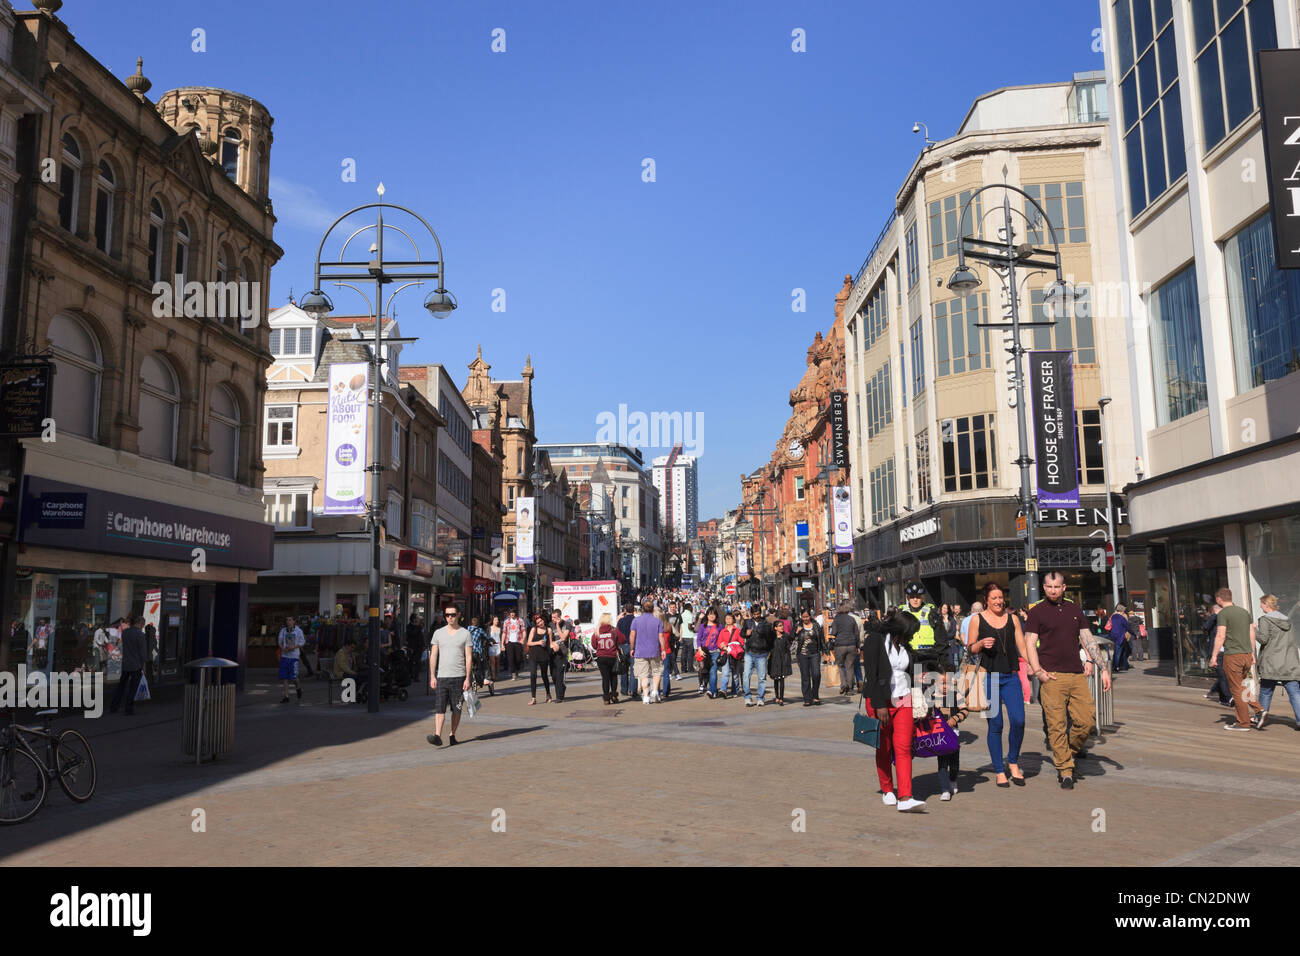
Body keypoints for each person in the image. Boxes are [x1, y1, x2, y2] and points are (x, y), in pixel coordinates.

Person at [1024, 571, 1111, 789]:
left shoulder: (1074, 609)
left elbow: (1088, 639)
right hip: (1051, 677)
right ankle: (1065, 770)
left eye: (1057, 587)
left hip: (1076, 673)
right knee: (1057, 726)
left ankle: (1065, 754)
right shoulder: (1037, 612)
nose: (1053, 590)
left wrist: (1103, 668)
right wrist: (1038, 671)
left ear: (1064, 588)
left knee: (1086, 720)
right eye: (1049, 587)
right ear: (1044, 588)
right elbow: (1029, 642)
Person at [863, 609, 926, 812]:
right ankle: (888, 788)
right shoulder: (875, 640)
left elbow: (907, 670)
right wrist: (879, 704)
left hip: (903, 699)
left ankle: (906, 796)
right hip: (881, 701)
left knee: (904, 747)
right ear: (903, 628)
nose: (914, 635)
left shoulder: (904, 645)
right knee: (884, 746)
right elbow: (871, 674)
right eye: (913, 631)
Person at [968, 582, 1028, 788]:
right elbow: (970, 649)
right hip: (989, 678)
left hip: (1011, 677)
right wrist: (980, 644)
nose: (998, 601)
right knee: (996, 725)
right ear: (986, 599)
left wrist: (1032, 666)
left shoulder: (1013, 619)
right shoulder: (977, 619)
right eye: (994, 598)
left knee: (1018, 721)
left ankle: (1012, 761)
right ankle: (999, 770)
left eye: (1001, 597)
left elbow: (1021, 645)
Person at [1209, 587, 1263, 732]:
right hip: (1246, 654)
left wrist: (1214, 656)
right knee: (1241, 686)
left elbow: (1220, 635)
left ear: (1219, 599)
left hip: (1233, 655)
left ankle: (1243, 723)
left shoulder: (1223, 613)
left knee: (1236, 690)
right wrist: (1252, 652)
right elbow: (1252, 632)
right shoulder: (1244, 612)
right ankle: (1259, 710)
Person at [426, 607, 473, 747]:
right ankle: (437, 735)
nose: (450, 617)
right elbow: (433, 655)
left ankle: (452, 734)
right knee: (439, 707)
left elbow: (469, 657)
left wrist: (467, 678)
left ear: (458, 615)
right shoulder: (438, 633)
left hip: (459, 677)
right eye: (447, 615)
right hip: (442, 677)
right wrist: (432, 676)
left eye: (452, 615)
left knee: (456, 709)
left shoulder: (465, 633)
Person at [1255, 593, 1299, 730]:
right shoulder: (1287, 620)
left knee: (1266, 691)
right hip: (1289, 663)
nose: (1260, 606)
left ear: (1266, 605)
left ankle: (1259, 717)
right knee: (1295, 692)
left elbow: (1263, 639)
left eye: (1261, 604)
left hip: (1271, 663)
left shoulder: (1265, 620)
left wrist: (1254, 629)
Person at [108, 616, 148, 715]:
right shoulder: (140, 634)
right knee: (132, 687)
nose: (143, 625)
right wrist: (144, 666)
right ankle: (128, 708)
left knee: (121, 686)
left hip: (126, 664)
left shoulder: (125, 633)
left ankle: (114, 706)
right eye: (143, 623)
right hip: (136, 665)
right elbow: (143, 652)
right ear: (139, 623)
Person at [898, 582, 944, 668]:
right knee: (909, 681)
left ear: (922, 597)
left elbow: (942, 640)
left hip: (928, 657)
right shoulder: (901, 613)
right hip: (908, 657)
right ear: (907, 598)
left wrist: (940, 660)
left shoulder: (932, 613)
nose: (915, 599)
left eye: (918, 597)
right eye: (912, 597)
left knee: (925, 681)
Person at [630, 600, 666, 704]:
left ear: (642, 608)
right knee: (657, 671)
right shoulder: (657, 621)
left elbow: (632, 636)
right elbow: (661, 636)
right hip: (654, 650)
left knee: (643, 674)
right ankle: (655, 691)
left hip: (640, 651)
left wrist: (632, 648)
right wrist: (663, 649)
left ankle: (646, 696)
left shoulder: (636, 621)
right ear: (652, 609)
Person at [742, 607, 774, 706]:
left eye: (758, 614)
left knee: (762, 677)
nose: (756, 616)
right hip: (749, 652)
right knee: (746, 675)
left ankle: (760, 698)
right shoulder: (747, 623)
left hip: (762, 653)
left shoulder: (766, 624)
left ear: (761, 613)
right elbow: (742, 633)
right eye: (754, 614)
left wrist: (768, 650)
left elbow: (770, 639)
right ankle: (747, 697)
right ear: (751, 614)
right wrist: (746, 634)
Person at [794, 608, 826, 706]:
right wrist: (796, 632)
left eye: (807, 617)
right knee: (805, 676)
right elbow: (791, 637)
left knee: (816, 675)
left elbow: (822, 640)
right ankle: (807, 698)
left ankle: (815, 695)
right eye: (803, 617)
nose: (805, 619)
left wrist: (826, 652)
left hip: (815, 653)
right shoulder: (798, 625)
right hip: (802, 654)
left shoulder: (816, 625)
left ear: (810, 616)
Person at [593, 612, 625, 704]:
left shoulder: (597, 631)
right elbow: (623, 639)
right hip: (612, 656)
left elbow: (594, 645)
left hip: (601, 657)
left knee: (605, 678)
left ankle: (606, 698)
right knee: (613, 677)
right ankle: (614, 695)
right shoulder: (614, 630)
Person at [829, 603, 861, 696]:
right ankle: (850, 689)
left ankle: (843, 684)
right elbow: (856, 634)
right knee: (850, 667)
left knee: (841, 666)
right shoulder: (852, 619)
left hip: (840, 645)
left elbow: (834, 632)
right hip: (851, 645)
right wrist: (858, 646)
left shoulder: (836, 619)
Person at [525, 614, 554, 705]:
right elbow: (529, 643)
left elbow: (551, 643)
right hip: (533, 655)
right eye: (538, 623)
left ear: (544, 620)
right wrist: (538, 642)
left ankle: (548, 694)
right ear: (536, 624)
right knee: (533, 675)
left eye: (541, 621)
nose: (540, 623)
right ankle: (533, 698)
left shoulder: (548, 630)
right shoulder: (534, 629)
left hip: (544, 655)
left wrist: (552, 647)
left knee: (544, 675)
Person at [697, 607, 723, 698]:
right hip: (705, 652)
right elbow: (698, 639)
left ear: (716, 616)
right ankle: (713, 690)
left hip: (715, 652)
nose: (711, 616)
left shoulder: (719, 626)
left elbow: (721, 638)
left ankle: (711, 691)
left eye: (713, 614)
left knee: (713, 671)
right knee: (705, 671)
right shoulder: (702, 626)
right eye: (710, 614)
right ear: (707, 615)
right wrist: (699, 650)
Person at [277, 616, 305, 703]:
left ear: (294, 621)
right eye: (287, 620)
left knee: (294, 677)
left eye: (290, 620)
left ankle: (298, 687)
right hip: (285, 656)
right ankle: (286, 696)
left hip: (294, 656)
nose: (288, 622)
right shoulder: (283, 630)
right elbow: (279, 641)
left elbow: (302, 642)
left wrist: (294, 647)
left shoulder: (298, 631)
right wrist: (282, 648)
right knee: (284, 677)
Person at [616, 605, 638, 700]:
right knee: (634, 669)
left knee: (624, 668)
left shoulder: (621, 621)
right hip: (634, 646)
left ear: (625, 610)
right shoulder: (636, 620)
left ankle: (624, 689)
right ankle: (633, 690)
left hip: (623, 646)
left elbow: (617, 633)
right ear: (633, 610)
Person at [549, 609, 568, 702]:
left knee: (559, 675)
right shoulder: (550, 625)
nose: (553, 619)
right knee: (554, 675)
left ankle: (559, 697)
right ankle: (562, 687)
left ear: (559, 617)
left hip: (562, 653)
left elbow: (563, 638)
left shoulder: (566, 624)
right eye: (552, 617)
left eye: (555, 617)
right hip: (553, 652)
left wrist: (557, 625)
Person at [502, 609, 525, 680]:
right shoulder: (506, 621)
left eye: (513, 613)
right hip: (509, 642)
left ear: (516, 613)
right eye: (511, 613)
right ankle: (513, 674)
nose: (512, 614)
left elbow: (524, 631)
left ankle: (517, 671)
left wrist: (523, 639)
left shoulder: (520, 620)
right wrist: (502, 644)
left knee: (518, 658)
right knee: (511, 658)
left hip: (518, 642)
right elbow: (504, 632)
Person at [1110, 604, 1132, 672]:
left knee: (1121, 651)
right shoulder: (1122, 616)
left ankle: (1122, 665)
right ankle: (1117, 666)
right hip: (1122, 636)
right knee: (1121, 651)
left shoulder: (1113, 615)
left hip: (1117, 635)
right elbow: (1125, 625)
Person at [679, 602, 697, 674]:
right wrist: (694, 628)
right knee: (690, 653)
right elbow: (689, 626)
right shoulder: (690, 615)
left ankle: (683, 668)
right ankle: (690, 668)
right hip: (689, 635)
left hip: (683, 635)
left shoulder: (682, 614)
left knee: (684, 653)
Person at [487, 615, 502, 683]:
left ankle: (497, 674)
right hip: (491, 646)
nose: (497, 621)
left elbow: (501, 637)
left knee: (497, 662)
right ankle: (493, 676)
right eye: (495, 620)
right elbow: (487, 636)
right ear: (493, 621)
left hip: (498, 646)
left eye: (497, 620)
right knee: (493, 662)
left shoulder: (500, 628)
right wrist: (489, 642)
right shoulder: (490, 628)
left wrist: (502, 645)